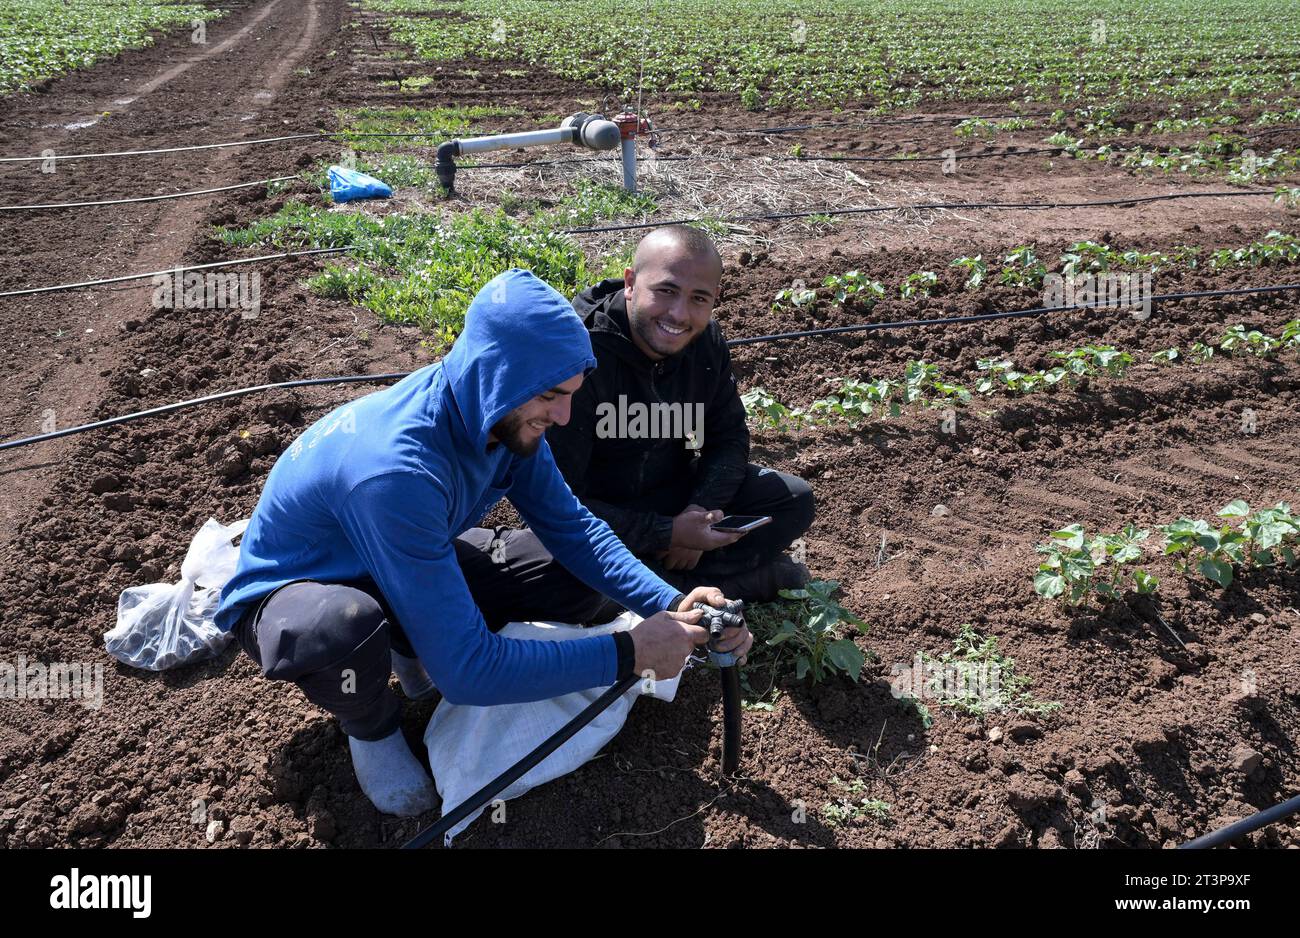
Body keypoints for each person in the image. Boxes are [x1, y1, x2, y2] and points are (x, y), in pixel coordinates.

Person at [214, 268, 752, 817]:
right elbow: (468, 675)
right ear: (498, 377)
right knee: (341, 625)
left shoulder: (498, 410)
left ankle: (409, 641)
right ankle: (370, 727)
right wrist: (628, 653)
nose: (564, 415)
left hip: (399, 553)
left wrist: (668, 601)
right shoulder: (397, 472)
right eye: (550, 395)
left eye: (571, 395)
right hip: (302, 590)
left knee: (565, 574)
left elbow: (574, 527)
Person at [543, 224, 815, 603]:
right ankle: (728, 586)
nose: (679, 313)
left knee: (792, 498)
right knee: (554, 561)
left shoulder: (706, 344)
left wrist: (701, 514)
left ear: (715, 298)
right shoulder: (581, 354)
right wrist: (666, 532)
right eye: (666, 290)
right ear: (631, 282)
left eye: (698, 298)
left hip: (675, 496)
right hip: (601, 514)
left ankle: (662, 586)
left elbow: (729, 437)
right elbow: (556, 496)